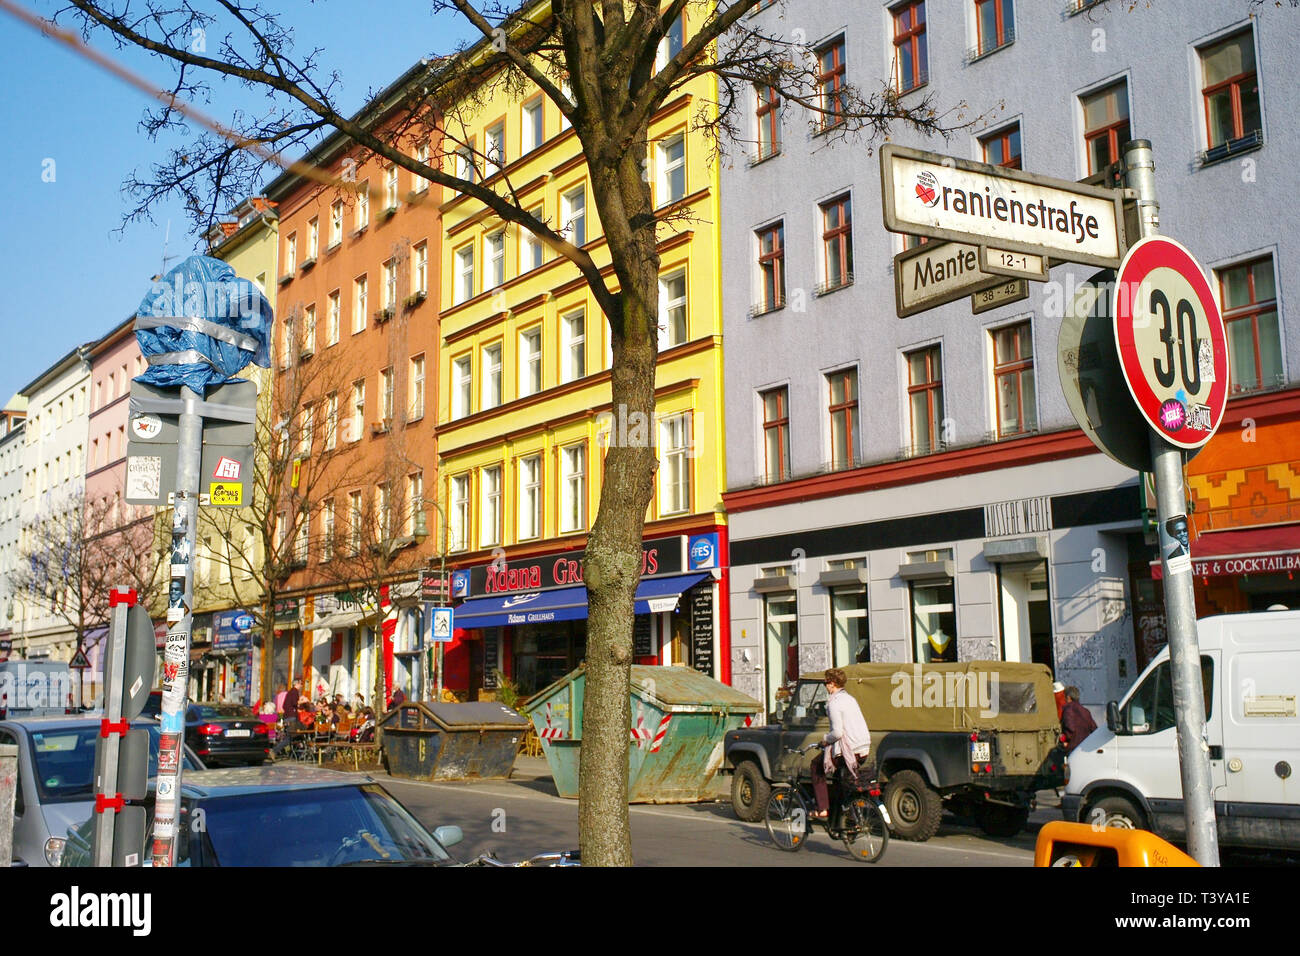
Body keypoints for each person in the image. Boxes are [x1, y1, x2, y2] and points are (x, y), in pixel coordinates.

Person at [810, 668, 871, 820]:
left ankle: (822, 809)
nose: (825, 686)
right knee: (839, 782)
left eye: (826, 683)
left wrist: (825, 740)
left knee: (816, 766)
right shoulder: (850, 699)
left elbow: (837, 733)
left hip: (850, 751)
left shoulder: (834, 703)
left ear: (832, 684)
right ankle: (840, 821)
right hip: (863, 748)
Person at [271, 679, 304, 757]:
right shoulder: (294, 691)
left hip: (287, 717)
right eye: (301, 684)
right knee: (290, 737)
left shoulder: (290, 692)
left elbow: (284, 705)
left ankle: (295, 753)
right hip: (291, 717)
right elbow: (294, 703)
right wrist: (302, 701)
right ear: (297, 684)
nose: (301, 685)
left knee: (293, 737)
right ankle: (274, 751)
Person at [1061, 686, 1098, 754]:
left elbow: (1070, 728)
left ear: (1068, 697)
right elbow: (1094, 729)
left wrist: (1066, 741)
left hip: (1073, 748)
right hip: (1085, 747)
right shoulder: (1085, 711)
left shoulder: (1068, 710)